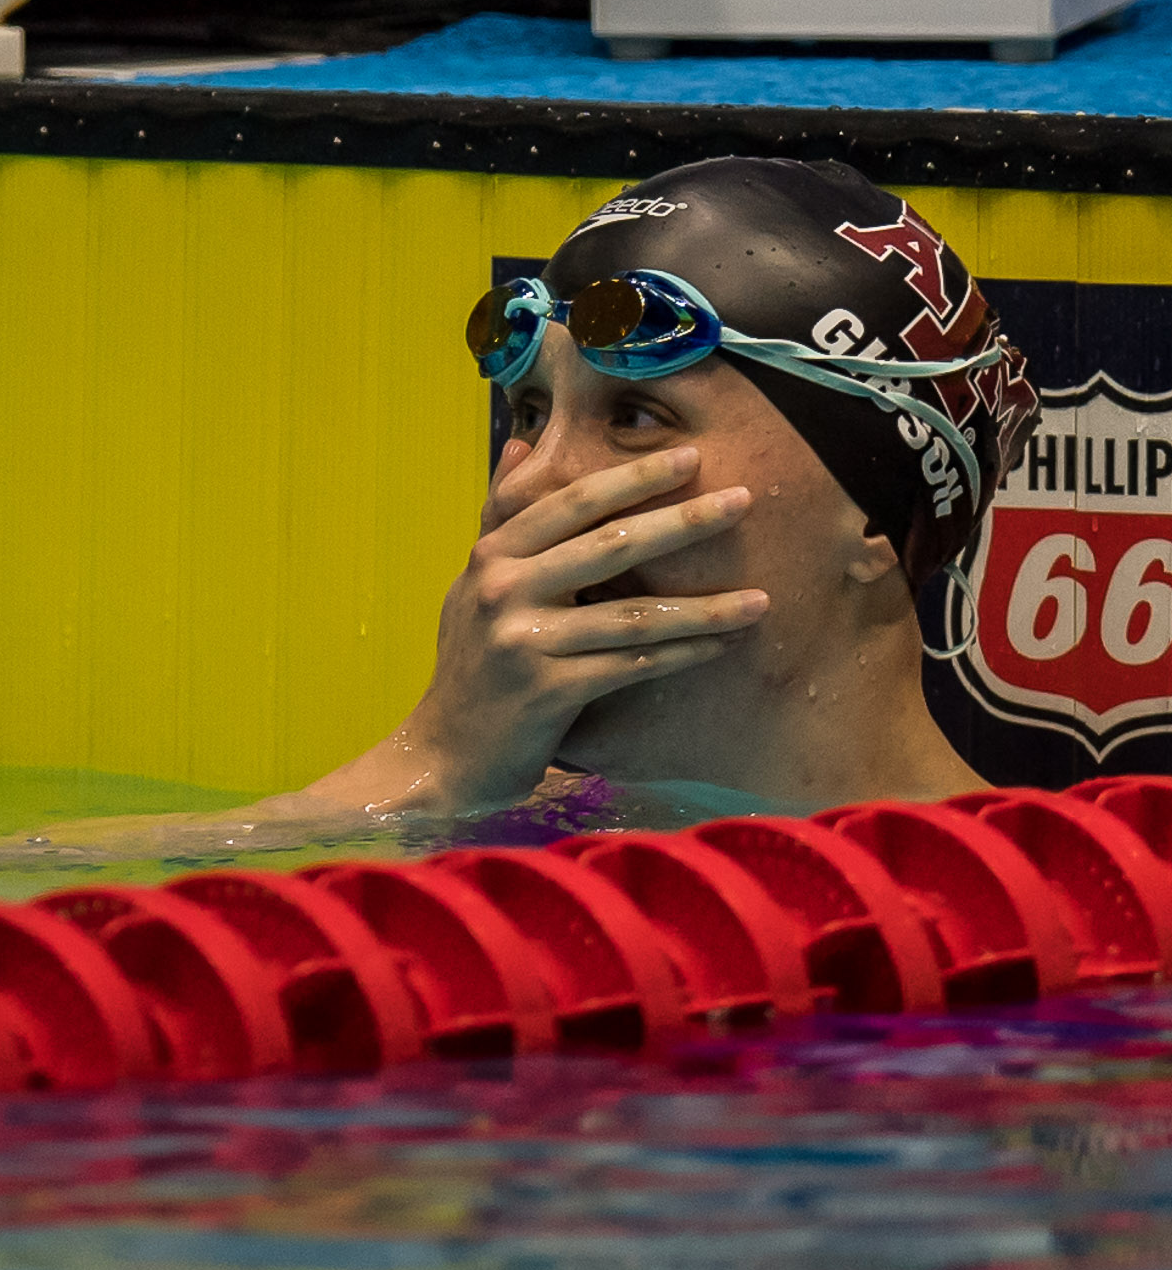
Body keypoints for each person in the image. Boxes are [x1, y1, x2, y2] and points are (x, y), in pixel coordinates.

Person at [52, 157, 1039, 852]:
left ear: (873, 510)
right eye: (529, 410)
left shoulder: (1048, 923)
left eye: (639, 416)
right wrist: (432, 772)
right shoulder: (468, 827)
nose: (525, 481)